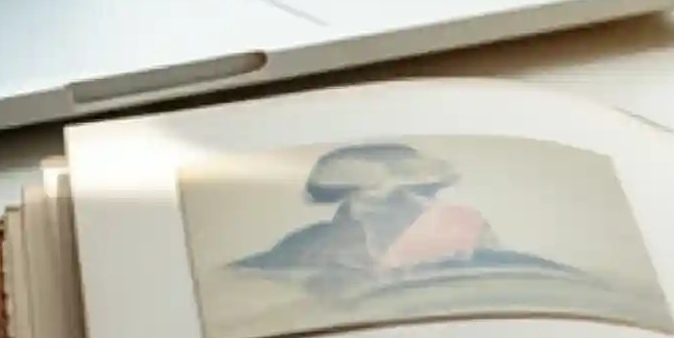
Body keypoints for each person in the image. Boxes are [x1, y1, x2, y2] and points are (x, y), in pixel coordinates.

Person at [231, 143, 573, 293]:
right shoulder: (308, 246)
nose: (410, 203)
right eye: (374, 197)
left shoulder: (462, 231)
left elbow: (503, 267)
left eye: (420, 192)